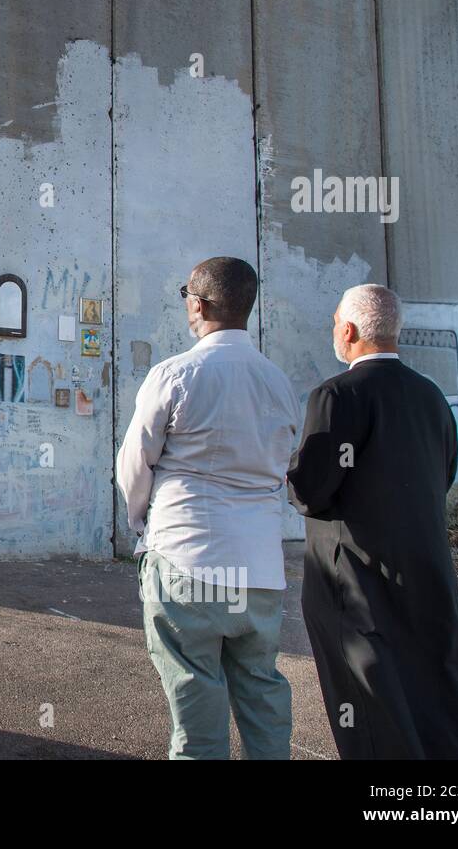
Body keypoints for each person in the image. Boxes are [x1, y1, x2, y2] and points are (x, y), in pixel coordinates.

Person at [287, 284, 458, 759]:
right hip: (428, 579)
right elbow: (441, 476)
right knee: (440, 705)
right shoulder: (432, 397)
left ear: (351, 330)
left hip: (356, 587)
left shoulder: (336, 395)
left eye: (335, 322)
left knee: (371, 714)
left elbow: (309, 491)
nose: (334, 330)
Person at [116, 257, 301, 759]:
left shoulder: (174, 374)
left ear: (196, 303)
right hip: (260, 569)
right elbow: (285, 465)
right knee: (262, 693)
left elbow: (136, 464)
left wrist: (141, 523)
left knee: (195, 705)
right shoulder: (278, 383)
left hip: (184, 560)